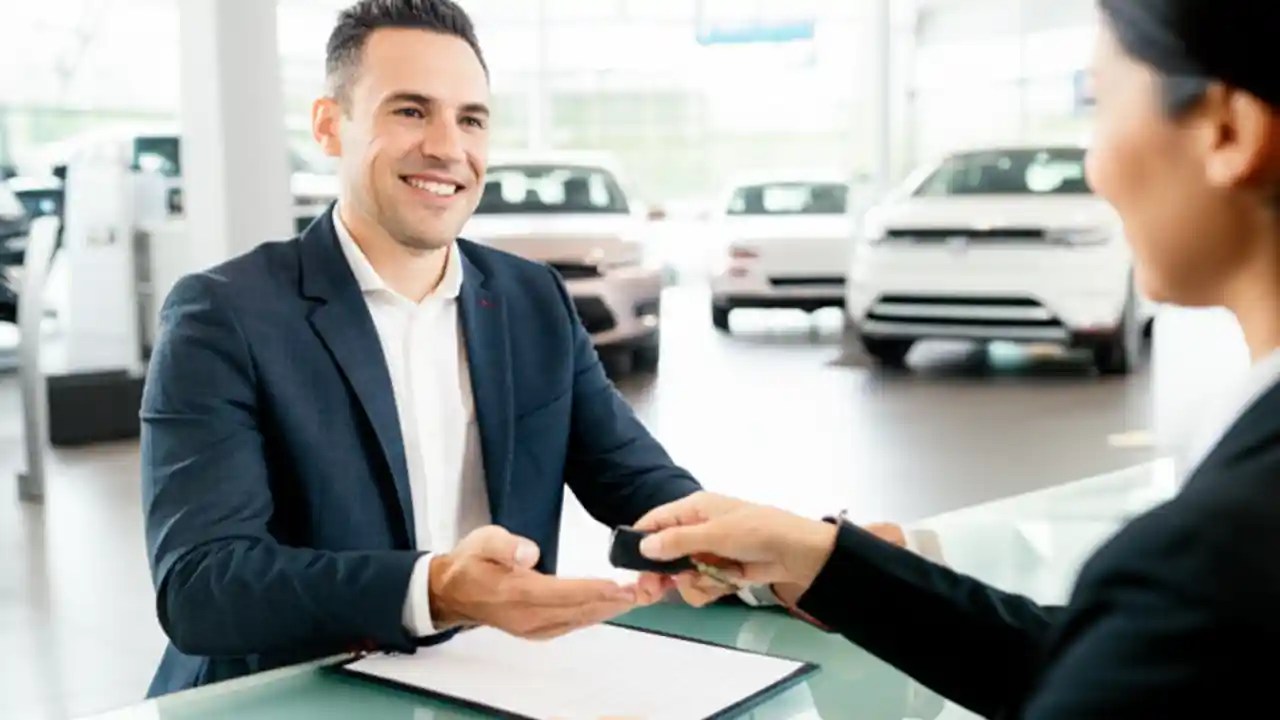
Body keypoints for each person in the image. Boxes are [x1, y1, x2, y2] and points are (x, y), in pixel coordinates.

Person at [637, 1, 1280, 717]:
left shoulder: (1207, 560)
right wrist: (820, 558)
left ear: (1230, 131)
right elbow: (1101, 661)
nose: (1094, 171)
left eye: (1099, 106)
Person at [140, 0, 716, 697]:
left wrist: (775, 557)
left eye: (471, 118)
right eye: (410, 111)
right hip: (285, 695)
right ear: (330, 126)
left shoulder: (533, 300)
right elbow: (202, 587)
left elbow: (639, 485)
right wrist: (438, 589)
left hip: (490, 686)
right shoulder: (224, 315)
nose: (448, 147)